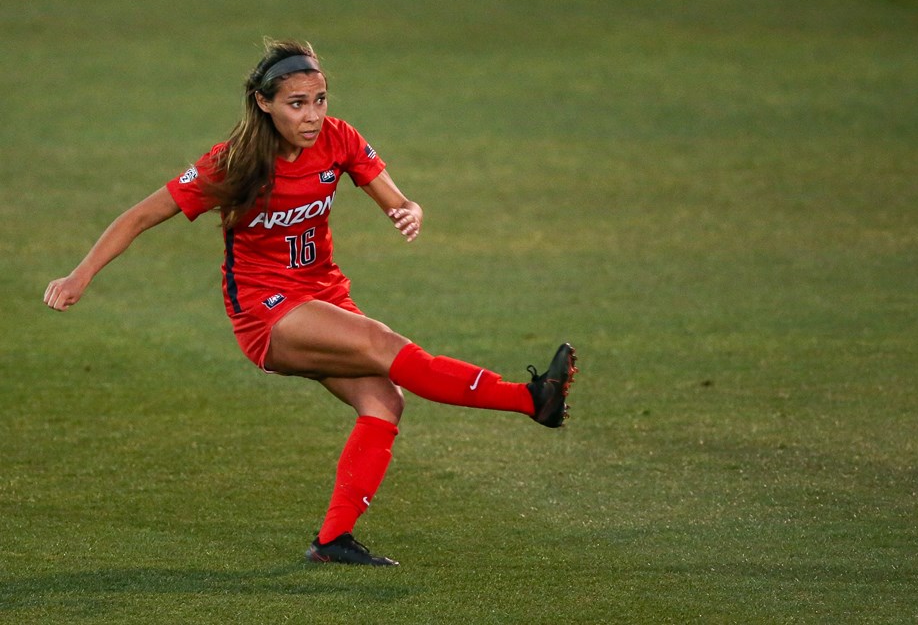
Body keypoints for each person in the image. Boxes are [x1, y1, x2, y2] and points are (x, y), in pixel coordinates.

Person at [43, 39, 577, 567]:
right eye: (297, 103)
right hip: (266, 313)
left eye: (319, 100)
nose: (313, 115)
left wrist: (409, 210)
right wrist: (79, 275)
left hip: (324, 295)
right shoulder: (233, 164)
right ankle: (530, 399)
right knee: (381, 342)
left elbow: (392, 195)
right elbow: (139, 215)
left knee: (384, 403)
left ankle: (332, 542)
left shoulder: (338, 138)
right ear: (264, 103)